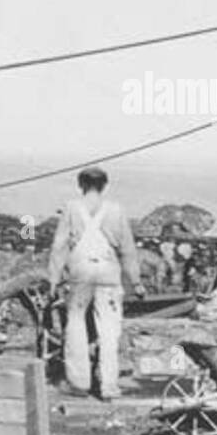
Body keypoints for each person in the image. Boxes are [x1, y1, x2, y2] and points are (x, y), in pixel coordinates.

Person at [48, 167, 145, 401]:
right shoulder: (116, 210)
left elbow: (59, 247)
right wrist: (137, 282)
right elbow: (128, 250)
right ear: (104, 186)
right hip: (108, 270)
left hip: (80, 269)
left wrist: (53, 280)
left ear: (81, 185)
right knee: (110, 330)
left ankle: (79, 382)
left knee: (76, 322)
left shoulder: (71, 208)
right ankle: (109, 386)